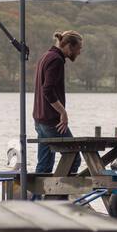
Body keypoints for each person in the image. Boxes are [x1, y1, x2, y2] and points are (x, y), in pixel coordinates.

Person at [33, 30, 83, 175]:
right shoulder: (56, 60)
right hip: (52, 121)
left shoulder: (45, 56)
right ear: (68, 45)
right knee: (73, 158)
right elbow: (47, 90)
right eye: (78, 48)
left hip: (40, 119)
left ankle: (40, 197)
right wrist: (63, 112)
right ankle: (59, 196)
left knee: (44, 166)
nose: (79, 52)